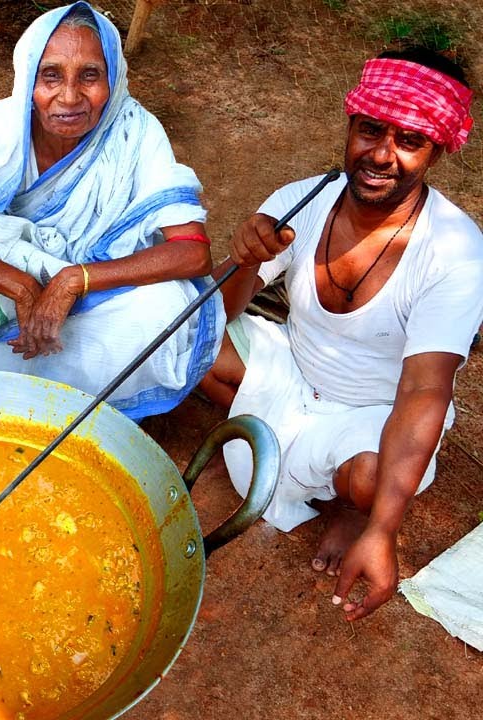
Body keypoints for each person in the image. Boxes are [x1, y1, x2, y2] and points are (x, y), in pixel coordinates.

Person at [198, 47, 482, 620]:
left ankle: (348, 506)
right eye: (370, 130)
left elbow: (424, 390)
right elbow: (216, 313)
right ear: (350, 125)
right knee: (189, 344)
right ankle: (293, 454)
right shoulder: (303, 200)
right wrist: (245, 262)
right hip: (292, 368)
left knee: (374, 482)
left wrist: (381, 529)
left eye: (409, 140)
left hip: (376, 411)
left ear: (436, 151)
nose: (381, 155)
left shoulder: (456, 252)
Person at [0, 2, 220, 421]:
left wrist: (73, 280)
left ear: (113, 78)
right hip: (10, 278)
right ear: (28, 77)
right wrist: (20, 285)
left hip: (96, 287)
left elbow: (193, 252)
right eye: (51, 75)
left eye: (89, 75)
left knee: (163, 309)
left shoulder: (135, 133)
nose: (69, 97)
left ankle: (85, 415)